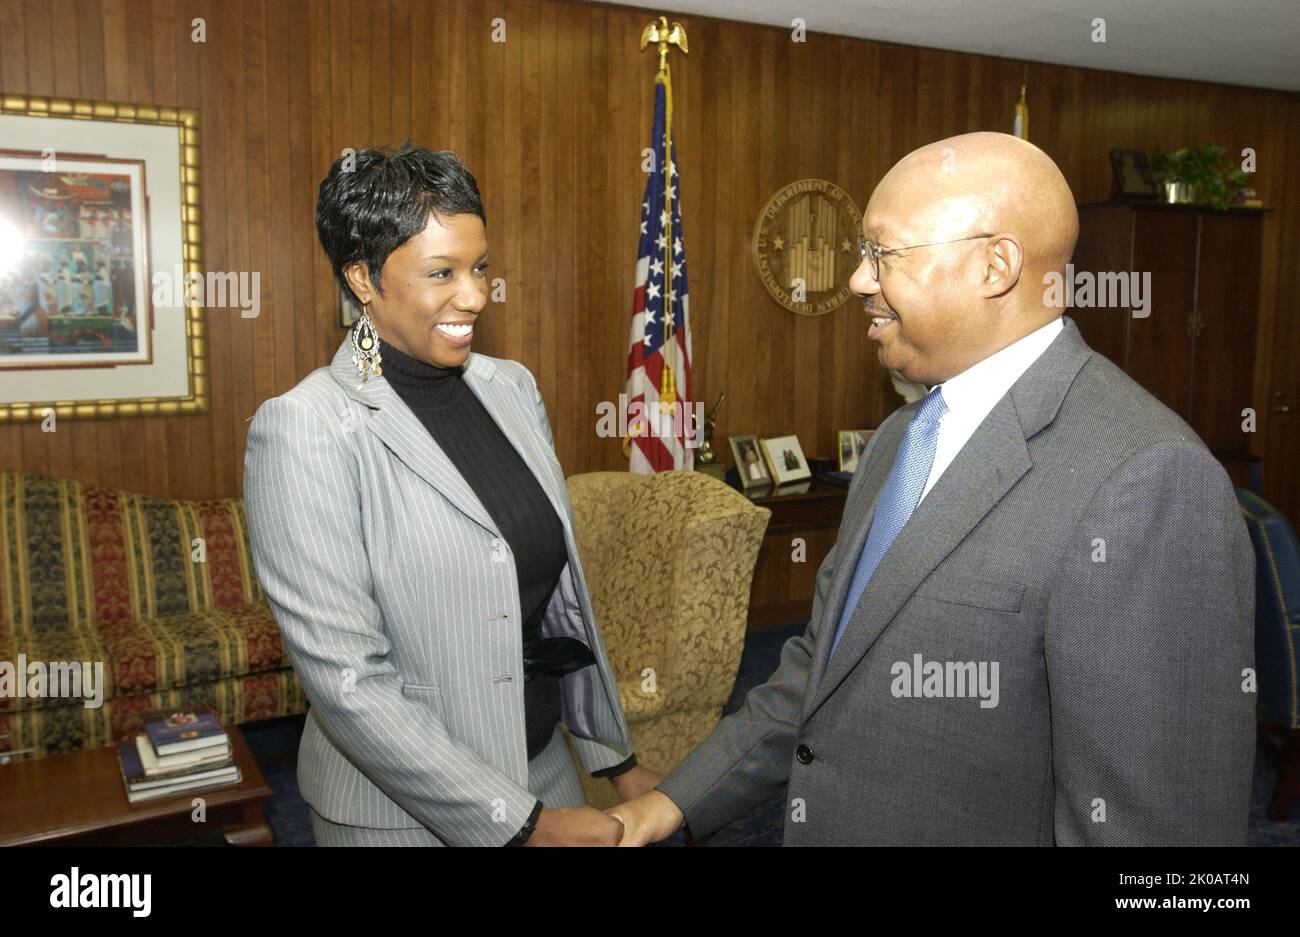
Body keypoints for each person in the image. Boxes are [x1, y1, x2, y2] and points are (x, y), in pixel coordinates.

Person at [609, 131, 1255, 846]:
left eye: (882, 253)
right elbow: (823, 671)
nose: (857, 279)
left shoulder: (1146, 477)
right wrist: (663, 805)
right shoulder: (899, 440)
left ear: (995, 265)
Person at [244, 143, 659, 846]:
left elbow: (556, 600)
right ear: (361, 277)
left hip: (542, 767)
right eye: (442, 272)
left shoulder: (512, 388)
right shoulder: (304, 427)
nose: (474, 295)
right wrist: (522, 825)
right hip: (397, 811)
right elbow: (348, 680)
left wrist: (614, 757)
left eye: (480, 267)